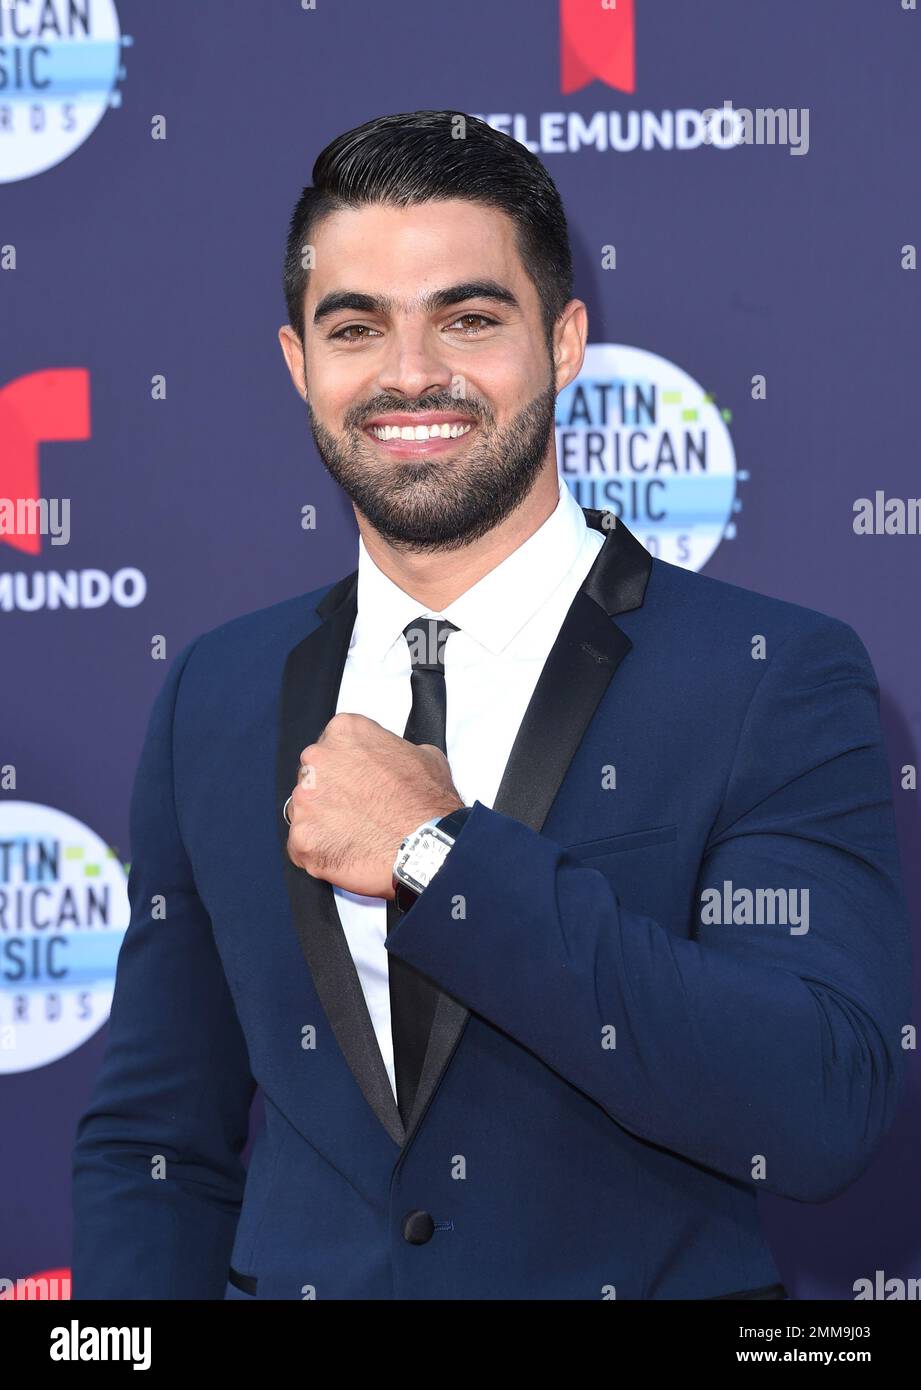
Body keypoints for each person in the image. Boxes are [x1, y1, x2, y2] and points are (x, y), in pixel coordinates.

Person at [72, 110, 910, 1301]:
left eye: (469, 318)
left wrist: (436, 852)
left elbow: (822, 1102)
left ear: (565, 341)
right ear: (299, 363)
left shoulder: (770, 670)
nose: (412, 373)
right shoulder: (219, 688)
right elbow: (156, 1145)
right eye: (356, 327)